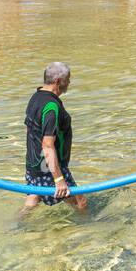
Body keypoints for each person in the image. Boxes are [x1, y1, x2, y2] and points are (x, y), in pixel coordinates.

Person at [23, 62, 86, 213]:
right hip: (49, 169)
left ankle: (15, 226)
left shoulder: (35, 97)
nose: (69, 83)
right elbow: (47, 144)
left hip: (34, 167)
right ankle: (89, 231)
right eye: (68, 79)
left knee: (33, 198)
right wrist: (59, 179)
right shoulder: (51, 107)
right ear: (58, 81)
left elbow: (29, 131)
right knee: (80, 202)